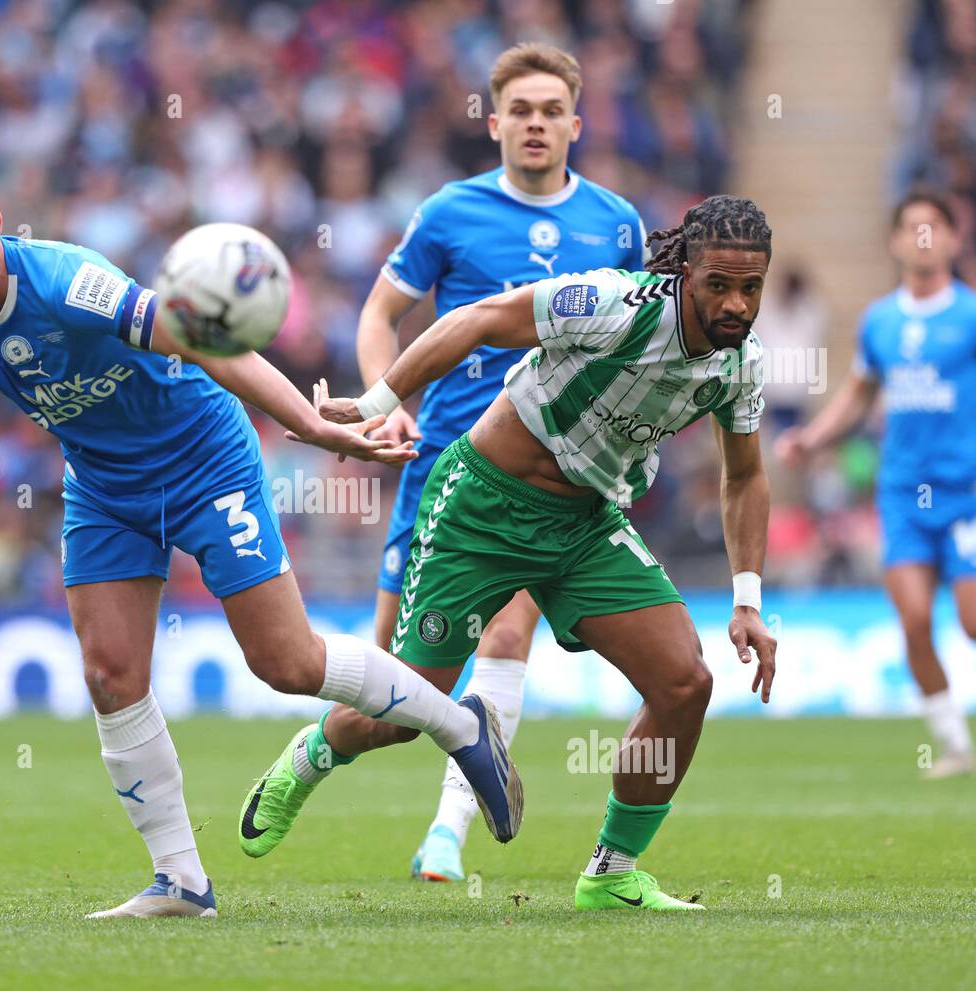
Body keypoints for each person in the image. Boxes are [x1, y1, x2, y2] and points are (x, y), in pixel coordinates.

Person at [0, 158, 525, 919]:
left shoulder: (68, 280)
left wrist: (312, 424)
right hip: (104, 487)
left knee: (288, 663)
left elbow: (204, 342)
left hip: (203, 459)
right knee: (108, 674)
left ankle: (462, 724)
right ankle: (182, 882)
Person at [240, 196, 778, 911]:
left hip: (585, 523)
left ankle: (613, 872)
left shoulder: (741, 364)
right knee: (399, 716)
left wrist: (747, 598)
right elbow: (479, 319)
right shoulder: (613, 303)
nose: (736, 303)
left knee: (685, 683)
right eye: (719, 284)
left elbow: (744, 475)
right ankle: (310, 756)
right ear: (684, 270)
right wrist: (378, 401)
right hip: (482, 506)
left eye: (751, 288)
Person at [355, 42, 648, 881]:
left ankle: (446, 831)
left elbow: (642, 346)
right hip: (441, 456)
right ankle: (315, 761)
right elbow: (382, 313)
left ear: (576, 125)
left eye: (552, 110)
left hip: (543, 468)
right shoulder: (448, 213)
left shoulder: (618, 224)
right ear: (493, 123)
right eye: (520, 109)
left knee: (509, 627)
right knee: (393, 692)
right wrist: (386, 402)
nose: (536, 123)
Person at [778, 189, 976, 778]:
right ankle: (955, 746)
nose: (922, 238)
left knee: (970, 622)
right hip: (903, 493)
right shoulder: (881, 321)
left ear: (953, 239)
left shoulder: (968, 314)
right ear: (894, 241)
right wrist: (814, 437)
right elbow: (860, 396)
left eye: (933, 227)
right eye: (911, 228)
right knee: (914, 618)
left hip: (966, 493)